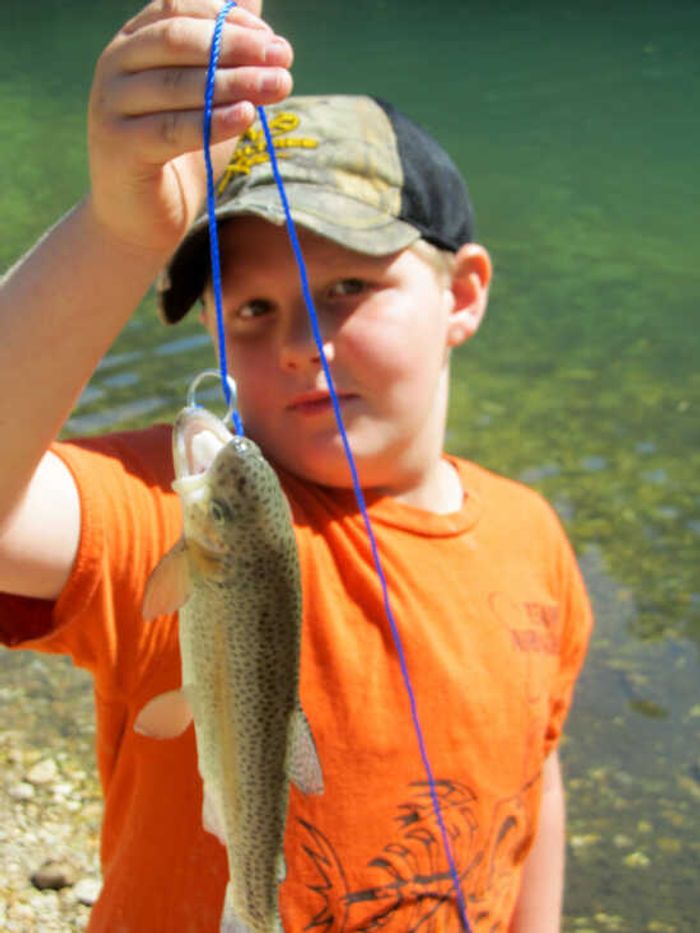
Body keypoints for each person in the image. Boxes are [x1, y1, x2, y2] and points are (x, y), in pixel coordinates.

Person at [0, 1, 592, 930]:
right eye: (252, 310)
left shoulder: (535, 537)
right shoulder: (178, 511)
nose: (297, 345)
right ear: (208, 329)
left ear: (463, 294)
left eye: (349, 287)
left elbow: (534, 770)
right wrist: (119, 233)